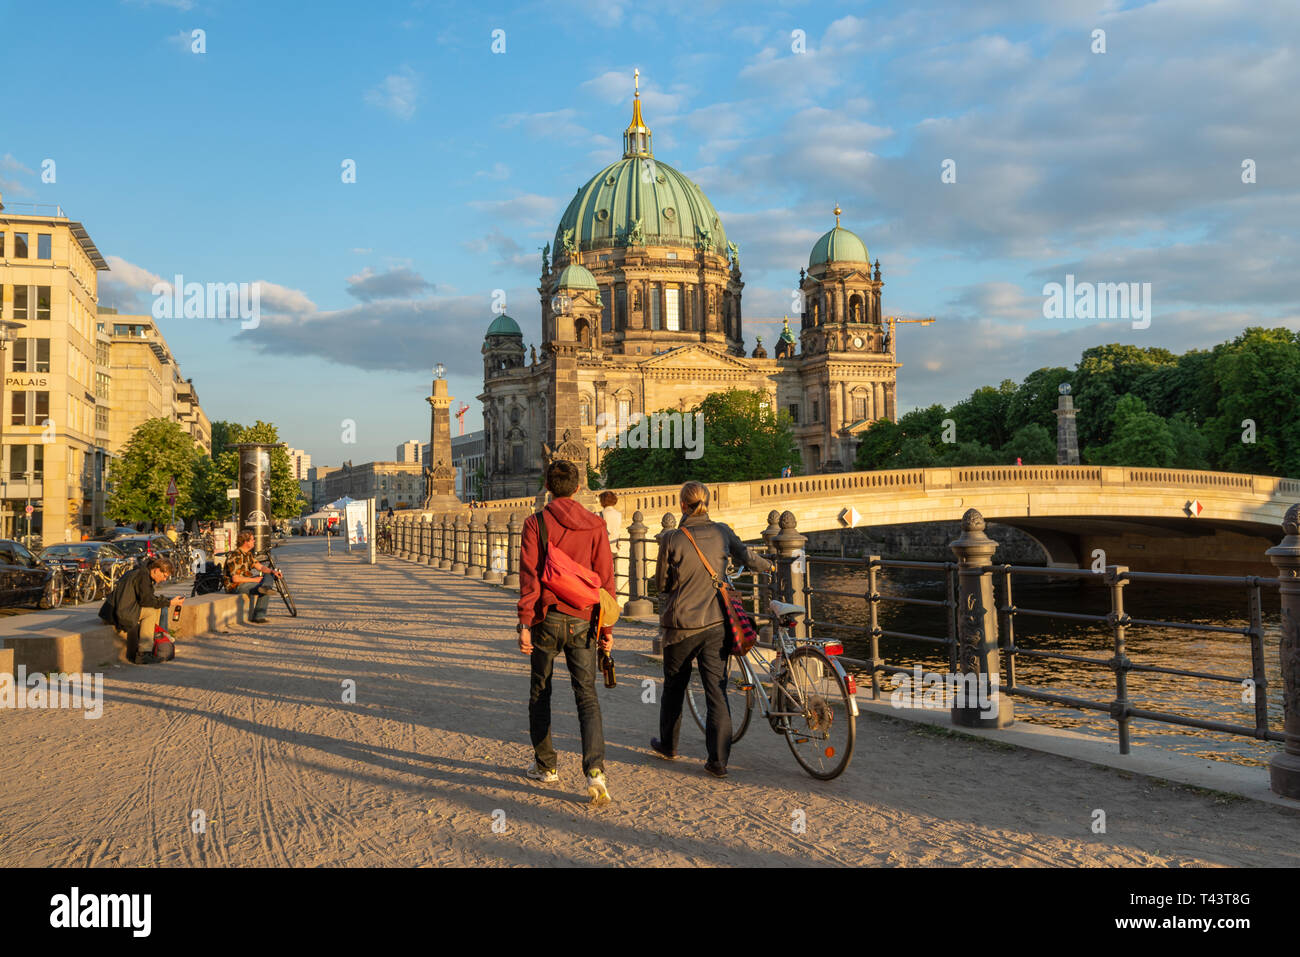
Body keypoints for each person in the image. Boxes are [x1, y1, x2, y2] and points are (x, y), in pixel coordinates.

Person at [651, 481, 773, 778]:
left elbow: (662, 585)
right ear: (708, 502)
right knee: (716, 691)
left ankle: (669, 746)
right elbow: (747, 557)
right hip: (718, 623)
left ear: (682, 505)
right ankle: (718, 761)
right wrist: (770, 566)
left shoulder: (673, 539)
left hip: (680, 626)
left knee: (674, 687)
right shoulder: (722, 531)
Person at [517, 460, 615, 805]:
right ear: (577, 488)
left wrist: (525, 624)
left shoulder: (535, 523)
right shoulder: (596, 525)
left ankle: (546, 766)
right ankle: (595, 772)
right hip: (584, 617)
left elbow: (529, 578)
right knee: (586, 695)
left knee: (540, 691)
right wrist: (607, 627)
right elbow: (605, 578)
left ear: (548, 485)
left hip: (547, 616)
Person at [99, 557, 185, 664]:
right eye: (164, 576)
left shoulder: (142, 571)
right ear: (157, 570)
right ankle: (144, 653)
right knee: (151, 611)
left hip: (114, 609)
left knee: (158, 607)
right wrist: (170, 603)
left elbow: (147, 597)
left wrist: (166, 601)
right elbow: (146, 601)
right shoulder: (143, 577)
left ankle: (159, 643)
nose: (164, 579)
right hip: (118, 613)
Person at [224, 529, 281, 623]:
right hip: (235, 586)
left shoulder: (248, 554)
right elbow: (235, 579)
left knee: (268, 576)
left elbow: (260, 567)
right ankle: (259, 616)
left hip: (246, 582)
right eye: (252, 539)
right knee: (263, 587)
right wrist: (255, 580)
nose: (254, 541)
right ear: (246, 542)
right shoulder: (235, 555)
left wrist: (273, 571)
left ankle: (265, 587)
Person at [598, 491, 625, 603]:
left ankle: (603, 600)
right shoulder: (618, 514)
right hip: (614, 547)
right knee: (612, 576)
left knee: (603, 577)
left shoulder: (600, 514)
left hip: (603, 549)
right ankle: (612, 600)